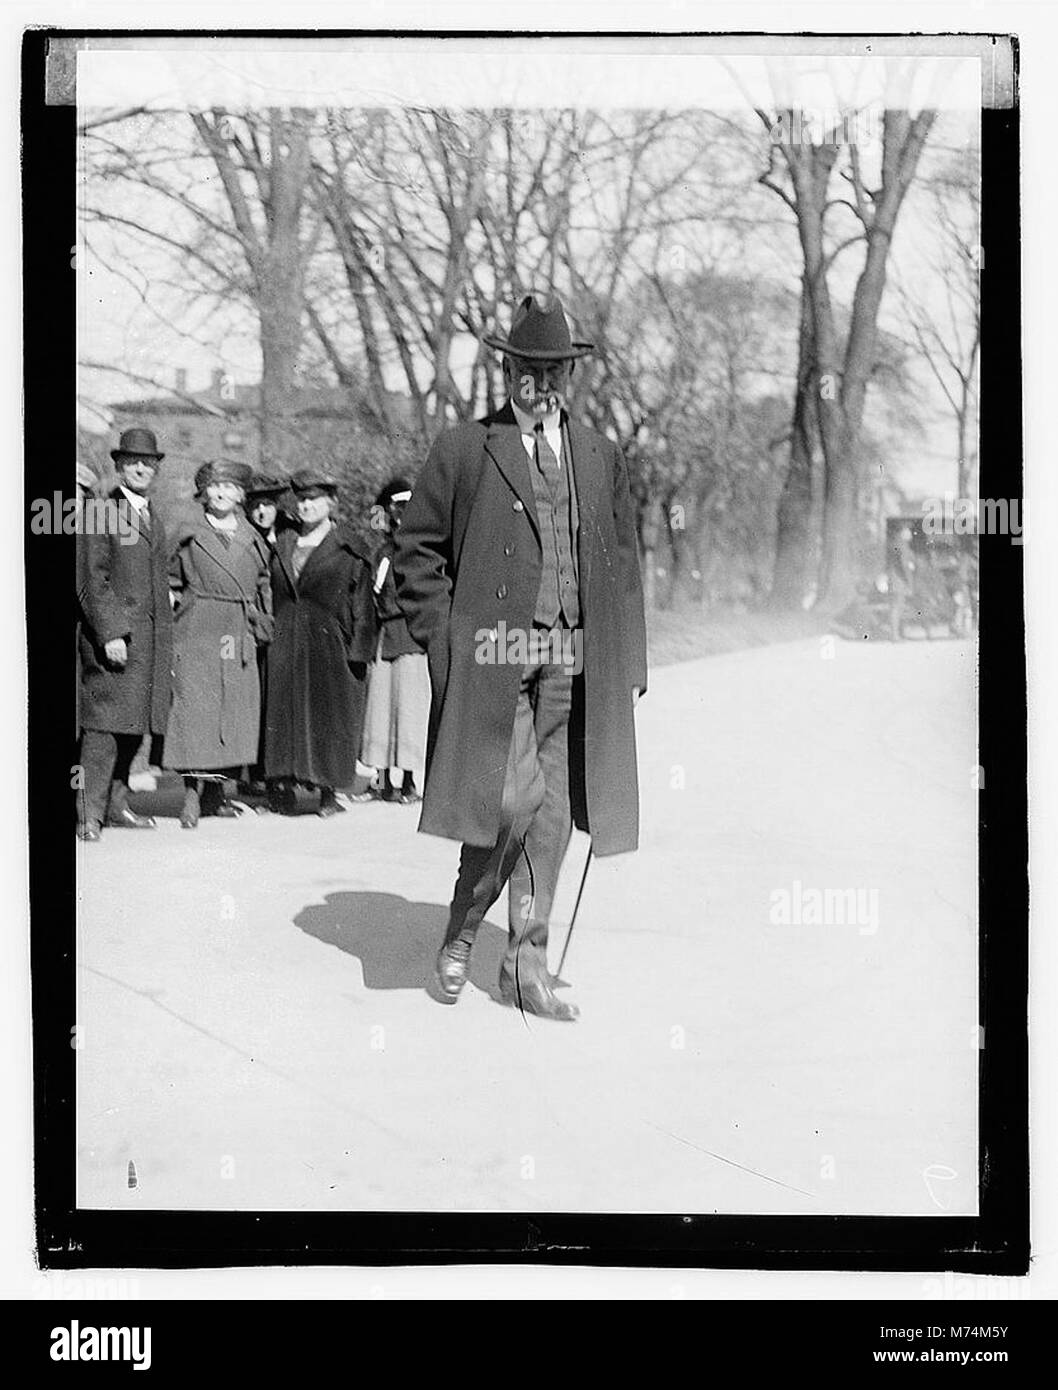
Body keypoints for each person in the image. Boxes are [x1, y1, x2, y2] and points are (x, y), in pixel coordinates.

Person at [394, 292, 647, 1021]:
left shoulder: (599, 456)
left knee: (555, 817)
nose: (542, 382)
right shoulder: (464, 448)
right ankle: (465, 927)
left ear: (570, 376)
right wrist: (448, 642)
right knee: (508, 801)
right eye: (529, 368)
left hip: (576, 658)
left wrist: (627, 663)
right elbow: (416, 553)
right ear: (510, 372)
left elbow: (622, 561)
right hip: (495, 658)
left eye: (555, 369)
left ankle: (525, 966)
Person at [164, 459, 274, 828]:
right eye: (214, 487)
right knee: (197, 712)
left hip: (237, 630)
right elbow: (169, 578)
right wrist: (174, 603)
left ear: (241, 494)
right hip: (198, 628)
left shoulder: (254, 537)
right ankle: (192, 797)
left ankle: (217, 794)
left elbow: (263, 586)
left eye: (229, 487)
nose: (221, 493)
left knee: (232, 710)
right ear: (203, 493)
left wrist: (263, 620)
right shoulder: (187, 531)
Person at [76, 427, 173, 840]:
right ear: (118, 467)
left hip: (148, 641)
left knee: (132, 728)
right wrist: (110, 633)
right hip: (116, 639)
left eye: (147, 462)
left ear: (155, 469)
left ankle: (116, 806)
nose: (140, 467)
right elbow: (92, 580)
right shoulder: (100, 510)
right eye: (132, 461)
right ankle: (88, 815)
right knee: (102, 730)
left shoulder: (153, 514)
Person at [264, 466, 378, 817]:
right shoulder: (282, 543)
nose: (306, 506)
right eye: (301, 500)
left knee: (330, 716)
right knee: (284, 714)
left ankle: (328, 791)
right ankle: (282, 786)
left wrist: (359, 650)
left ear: (331, 503)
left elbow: (363, 604)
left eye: (314, 500)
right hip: (285, 638)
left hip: (331, 644)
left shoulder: (349, 548)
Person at [360, 478, 430, 804]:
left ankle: (409, 781)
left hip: (414, 637)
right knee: (382, 708)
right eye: (397, 510)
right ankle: (384, 778)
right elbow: (373, 593)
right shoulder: (382, 553)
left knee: (411, 710)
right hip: (385, 635)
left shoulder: (423, 552)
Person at [242, 471, 292, 791]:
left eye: (268, 505)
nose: (262, 512)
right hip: (255, 628)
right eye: (256, 506)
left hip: (285, 628)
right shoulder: (246, 538)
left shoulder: (288, 538)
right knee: (254, 703)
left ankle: (279, 774)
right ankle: (254, 774)